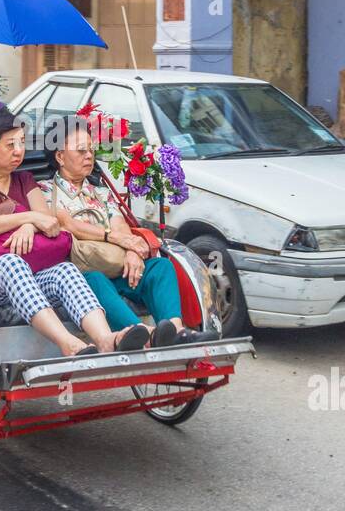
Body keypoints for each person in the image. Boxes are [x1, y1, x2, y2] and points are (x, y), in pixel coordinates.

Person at [0, 108, 149, 357]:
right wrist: (28, 217)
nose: (19, 151)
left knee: (65, 270)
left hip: (26, 274)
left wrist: (31, 225)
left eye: (21, 143)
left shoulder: (24, 181)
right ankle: (68, 343)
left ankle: (105, 339)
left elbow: (49, 223)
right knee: (10, 264)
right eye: (10, 145)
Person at [42, 116, 218, 348]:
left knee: (161, 267)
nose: (89, 156)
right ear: (60, 157)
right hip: (84, 271)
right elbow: (68, 224)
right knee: (93, 279)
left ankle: (176, 331)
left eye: (91, 150)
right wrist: (118, 239)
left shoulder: (101, 192)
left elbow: (120, 224)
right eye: (81, 150)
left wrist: (133, 251)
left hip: (118, 265)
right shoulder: (45, 192)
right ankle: (141, 334)